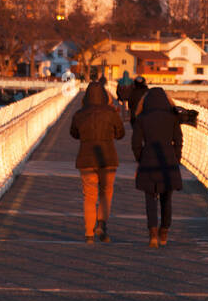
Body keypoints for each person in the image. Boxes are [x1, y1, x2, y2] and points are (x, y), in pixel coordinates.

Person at [70, 81, 125, 243]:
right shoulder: (111, 112)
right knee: (106, 193)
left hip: (86, 159)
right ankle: (101, 224)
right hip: (108, 159)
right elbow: (120, 134)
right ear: (104, 95)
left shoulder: (80, 113)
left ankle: (89, 233)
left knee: (89, 196)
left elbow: (74, 133)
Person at [131, 86, 183, 248]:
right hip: (168, 162)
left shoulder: (142, 118)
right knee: (167, 200)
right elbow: (179, 141)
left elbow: (135, 144)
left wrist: (141, 159)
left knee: (150, 199)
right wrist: (176, 158)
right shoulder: (173, 118)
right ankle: (164, 232)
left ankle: (152, 234)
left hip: (148, 161)